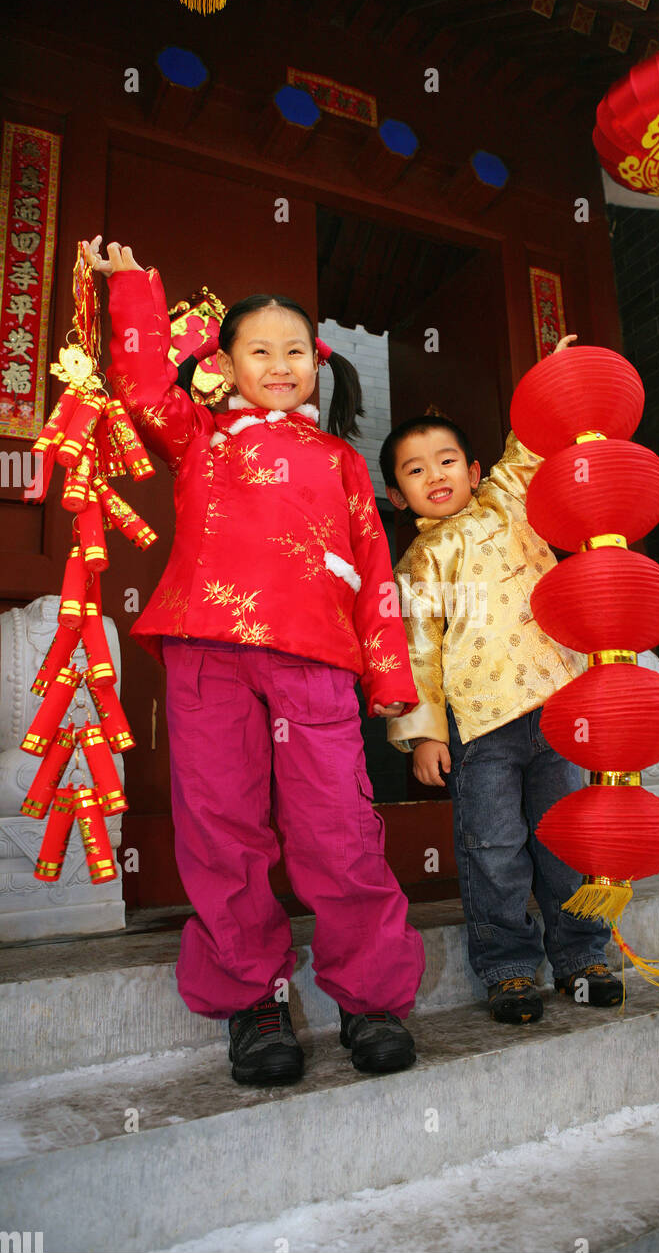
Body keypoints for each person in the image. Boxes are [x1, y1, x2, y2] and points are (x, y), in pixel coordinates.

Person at [85, 236, 425, 1084]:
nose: (279, 364)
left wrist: (389, 676)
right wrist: (128, 288)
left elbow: (376, 575)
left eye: (296, 352)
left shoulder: (344, 461)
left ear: (320, 364)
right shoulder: (196, 435)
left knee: (338, 830)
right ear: (225, 362)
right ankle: (252, 1002)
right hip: (207, 654)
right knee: (221, 829)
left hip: (315, 663)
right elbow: (137, 385)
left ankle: (370, 997)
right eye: (258, 350)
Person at [379, 336, 623, 1024]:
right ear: (398, 495)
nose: (436, 476)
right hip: (481, 725)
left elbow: (532, 447)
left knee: (562, 837)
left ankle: (581, 955)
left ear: (476, 468)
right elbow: (416, 653)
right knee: (493, 847)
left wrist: (551, 375)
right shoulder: (417, 565)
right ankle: (510, 967)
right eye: (416, 471)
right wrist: (423, 736)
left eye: (448, 461)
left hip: (559, 706)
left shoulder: (510, 502)